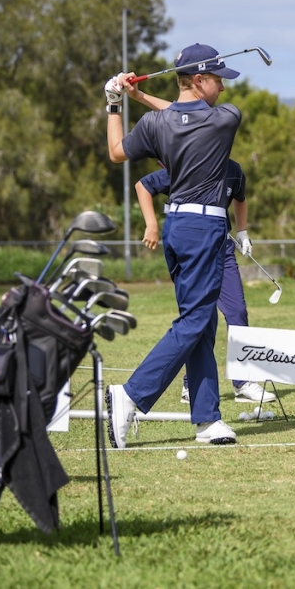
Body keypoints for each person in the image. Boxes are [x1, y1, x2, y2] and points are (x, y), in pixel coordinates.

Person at [103, 42, 242, 448]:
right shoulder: (226, 118)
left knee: (201, 320)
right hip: (204, 228)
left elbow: (116, 152)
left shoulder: (154, 123)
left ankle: (207, 419)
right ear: (198, 80)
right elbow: (187, 114)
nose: (222, 87)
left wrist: (116, 102)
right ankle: (131, 394)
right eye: (216, 79)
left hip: (176, 226)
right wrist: (140, 96)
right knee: (196, 319)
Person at [135, 160, 277, 404]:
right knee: (201, 317)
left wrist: (242, 231)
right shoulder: (190, 164)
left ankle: (243, 382)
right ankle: (191, 385)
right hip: (193, 249)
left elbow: (240, 198)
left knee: (237, 311)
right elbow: (143, 185)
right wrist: (151, 224)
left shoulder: (234, 170)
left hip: (223, 249)